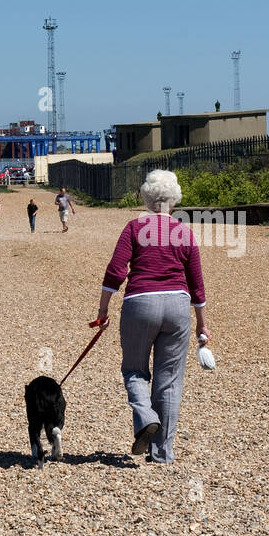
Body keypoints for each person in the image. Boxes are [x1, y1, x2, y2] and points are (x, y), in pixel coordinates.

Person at [94, 168, 208, 464]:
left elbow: (115, 271)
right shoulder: (185, 232)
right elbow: (197, 284)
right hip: (178, 305)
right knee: (169, 380)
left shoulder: (135, 228)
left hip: (140, 302)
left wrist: (103, 309)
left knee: (134, 370)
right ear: (174, 199)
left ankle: (145, 417)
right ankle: (162, 453)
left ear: (146, 196)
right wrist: (203, 326)